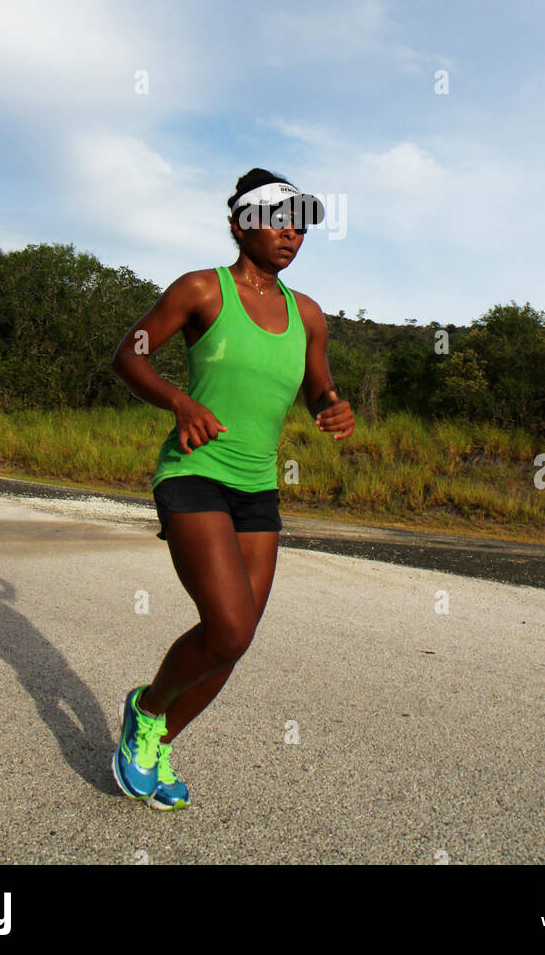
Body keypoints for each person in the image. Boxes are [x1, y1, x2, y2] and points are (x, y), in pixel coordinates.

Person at [110, 168, 356, 808]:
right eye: (280, 219)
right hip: (193, 473)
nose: (293, 235)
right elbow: (129, 355)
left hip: (257, 488)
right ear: (242, 222)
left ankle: (157, 739)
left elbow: (316, 385)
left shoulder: (307, 314)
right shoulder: (200, 290)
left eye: (301, 224)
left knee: (237, 639)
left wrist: (332, 405)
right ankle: (147, 708)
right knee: (226, 627)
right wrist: (180, 403)